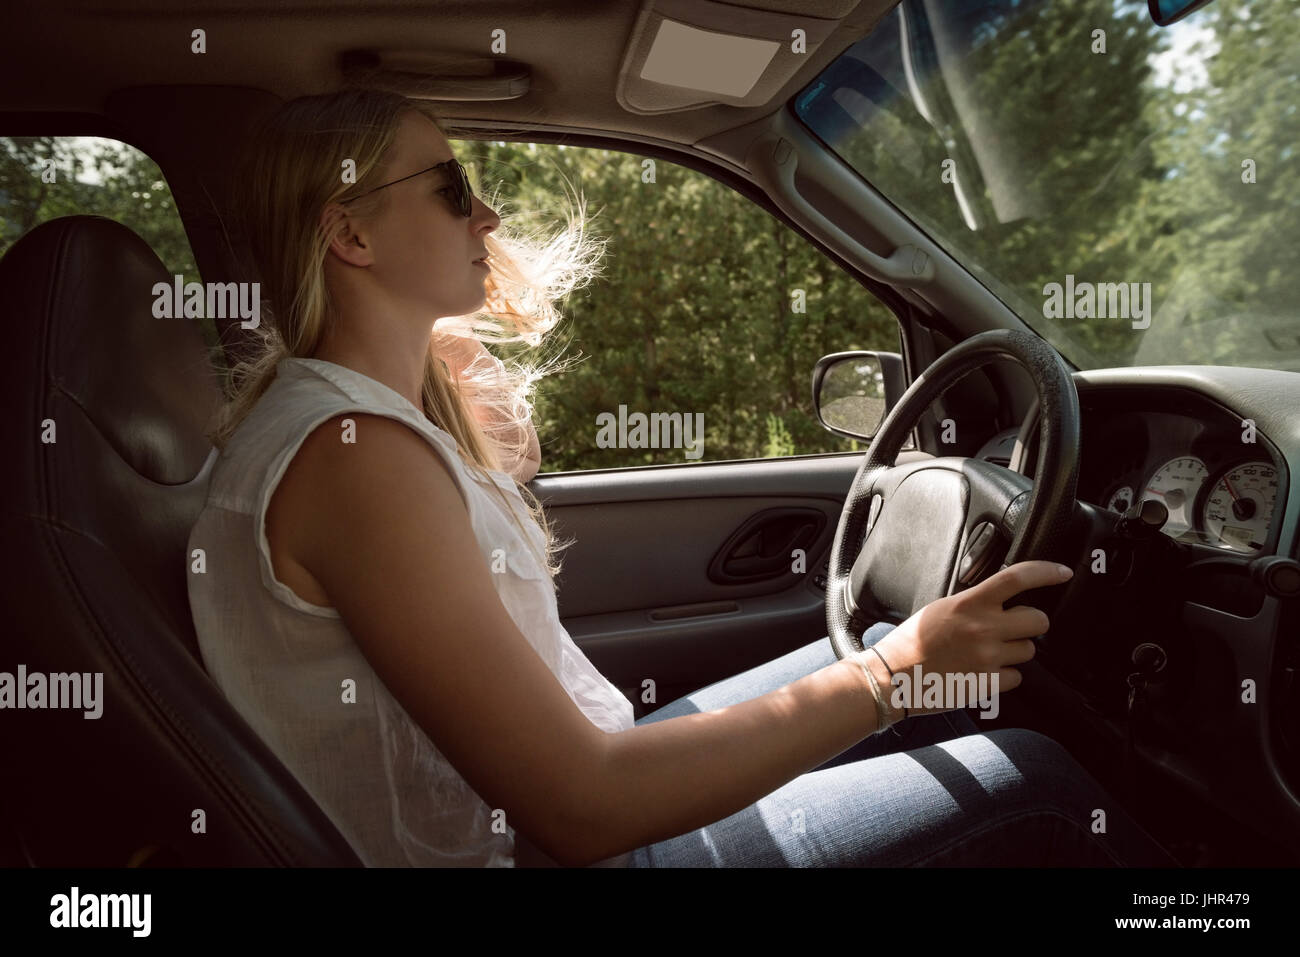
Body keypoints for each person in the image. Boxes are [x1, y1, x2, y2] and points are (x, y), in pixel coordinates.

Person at [187, 87, 1177, 868]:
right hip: (568, 844)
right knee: (1032, 781)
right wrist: (891, 677)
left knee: (915, 659)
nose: (484, 213)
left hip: (583, 784)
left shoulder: (359, 425)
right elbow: (581, 812)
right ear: (351, 236)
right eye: (450, 188)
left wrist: (896, 665)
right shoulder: (355, 460)